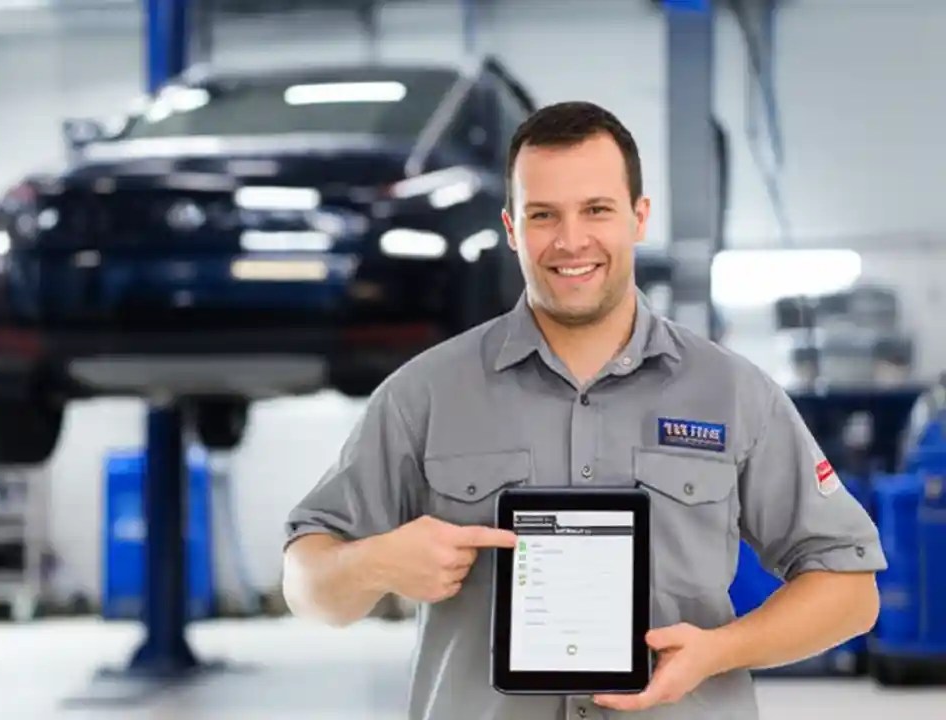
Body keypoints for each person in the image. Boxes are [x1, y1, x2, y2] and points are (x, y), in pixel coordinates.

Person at [279, 101, 884, 720]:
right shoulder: (424, 394)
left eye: (596, 209)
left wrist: (720, 651)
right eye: (544, 216)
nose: (571, 241)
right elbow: (306, 586)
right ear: (513, 228)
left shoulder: (733, 394)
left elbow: (850, 589)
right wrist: (375, 562)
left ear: (638, 217)